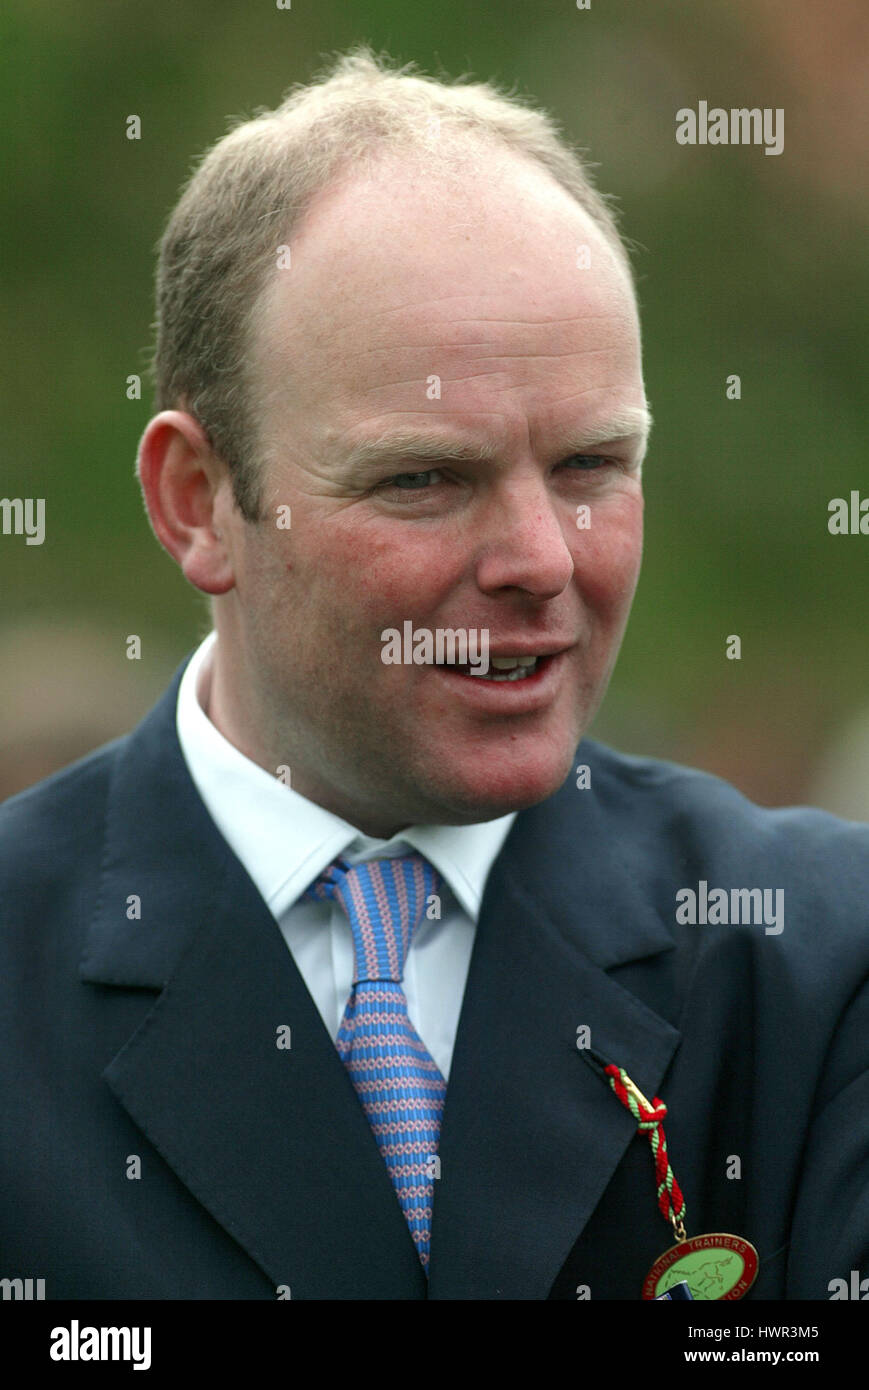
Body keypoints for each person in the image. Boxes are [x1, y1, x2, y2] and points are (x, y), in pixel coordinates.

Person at [1, 46, 867, 1302]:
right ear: (198, 502)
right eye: (423, 479)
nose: (536, 558)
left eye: (588, 466)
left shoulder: (810, 962)